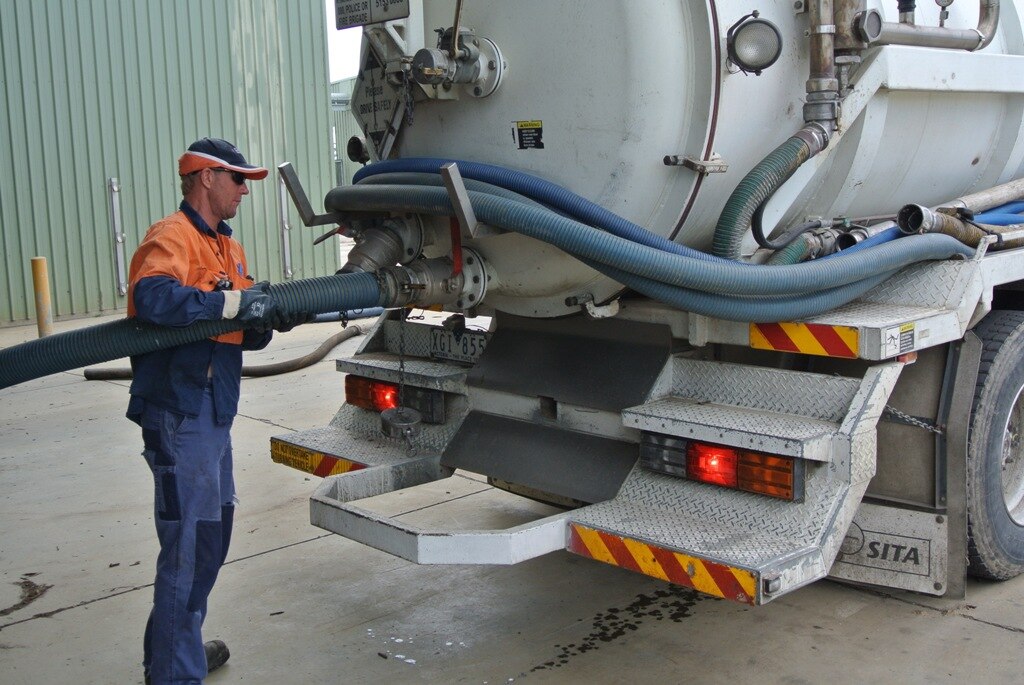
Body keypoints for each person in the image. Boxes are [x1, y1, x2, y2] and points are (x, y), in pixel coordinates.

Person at [126, 137, 299, 684]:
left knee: (210, 539)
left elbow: (237, 333)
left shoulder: (230, 248)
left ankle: (177, 648)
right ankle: (176, 673)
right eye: (238, 179)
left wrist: (266, 319)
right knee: (189, 545)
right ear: (206, 177)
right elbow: (152, 298)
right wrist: (230, 303)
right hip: (180, 411)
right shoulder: (171, 237)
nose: (245, 191)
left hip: (215, 409)